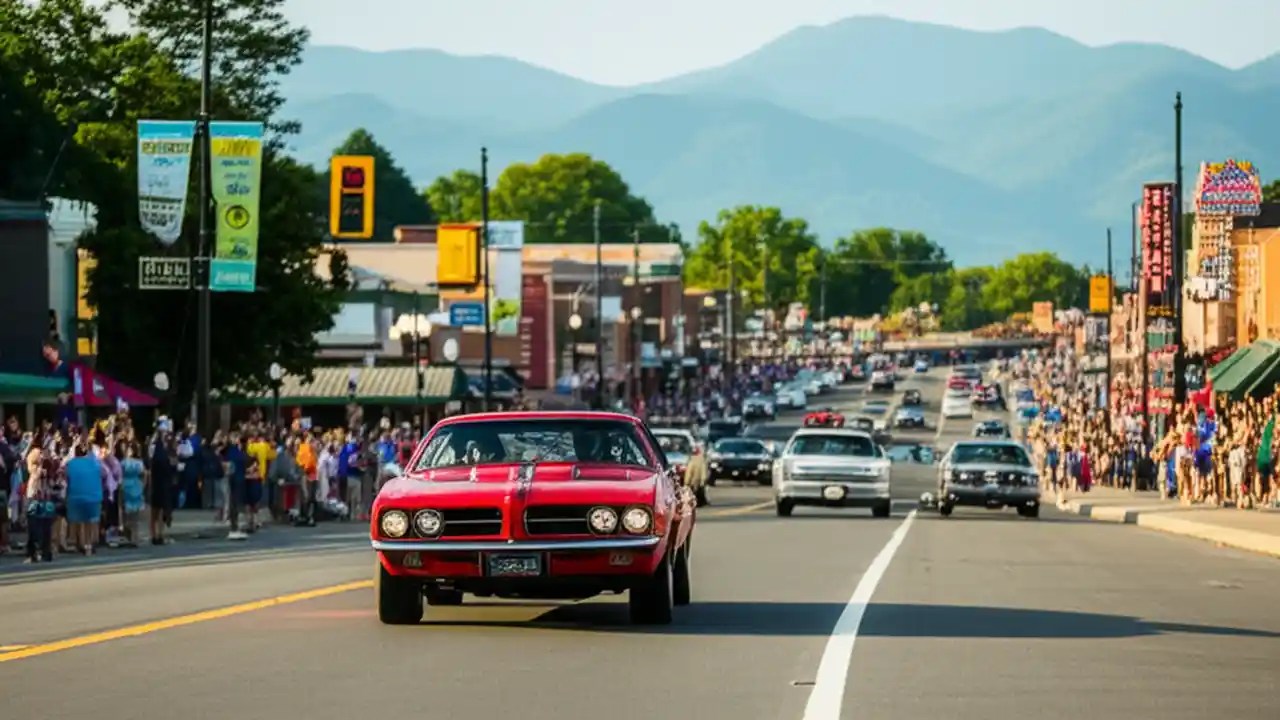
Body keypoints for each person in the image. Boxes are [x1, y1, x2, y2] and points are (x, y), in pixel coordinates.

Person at [64, 442, 103, 555]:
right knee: (90, 522)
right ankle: (89, 544)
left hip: (76, 496)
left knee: (78, 521)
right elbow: (103, 474)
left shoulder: (70, 464)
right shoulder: (95, 463)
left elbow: (66, 478)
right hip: (93, 496)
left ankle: (80, 543)